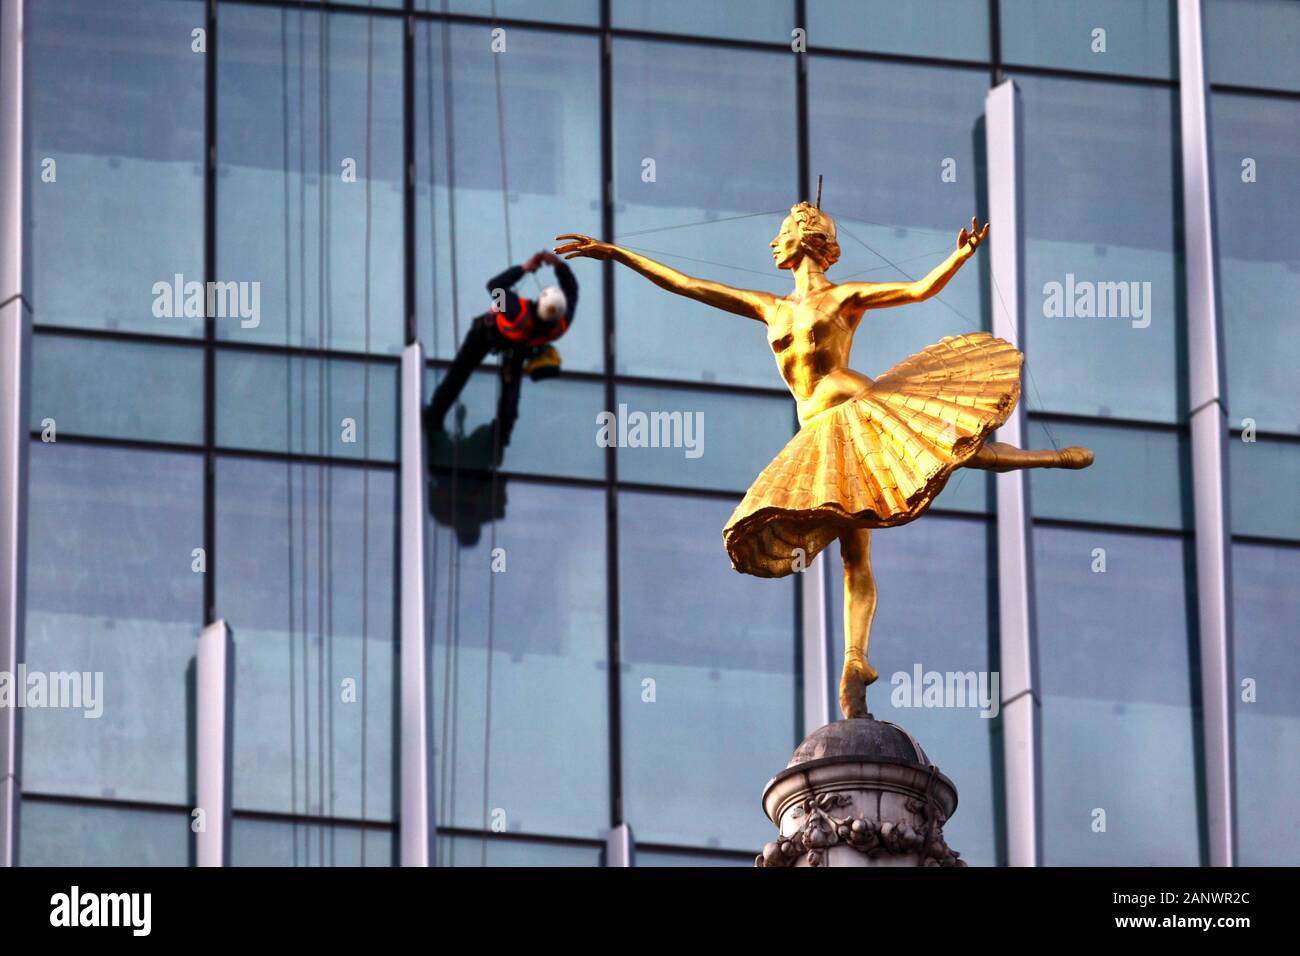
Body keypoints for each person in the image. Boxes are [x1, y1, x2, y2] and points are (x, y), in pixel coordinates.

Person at [556, 205, 1093, 720]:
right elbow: (688, 285)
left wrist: (958, 257)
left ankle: (1050, 457)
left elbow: (916, 289)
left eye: (785, 230)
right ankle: (854, 659)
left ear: (808, 237)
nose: (774, 240)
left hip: (853, 404)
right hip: (819, 433)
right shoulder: (770, 306)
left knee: (947, 446)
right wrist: (619, 253)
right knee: (853, 554)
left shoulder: (844, 298)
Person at [425, 249, 577, 449]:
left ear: (540, 302)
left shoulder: (516, 310)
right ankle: (502, 436)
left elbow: (494, 286)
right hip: (516, 350)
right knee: (510, 393)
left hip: (486, 335)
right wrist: (559, 266)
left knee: (460, 373)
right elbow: (572, 290)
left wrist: (524, 268)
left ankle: (435, 414)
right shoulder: (561, 324)